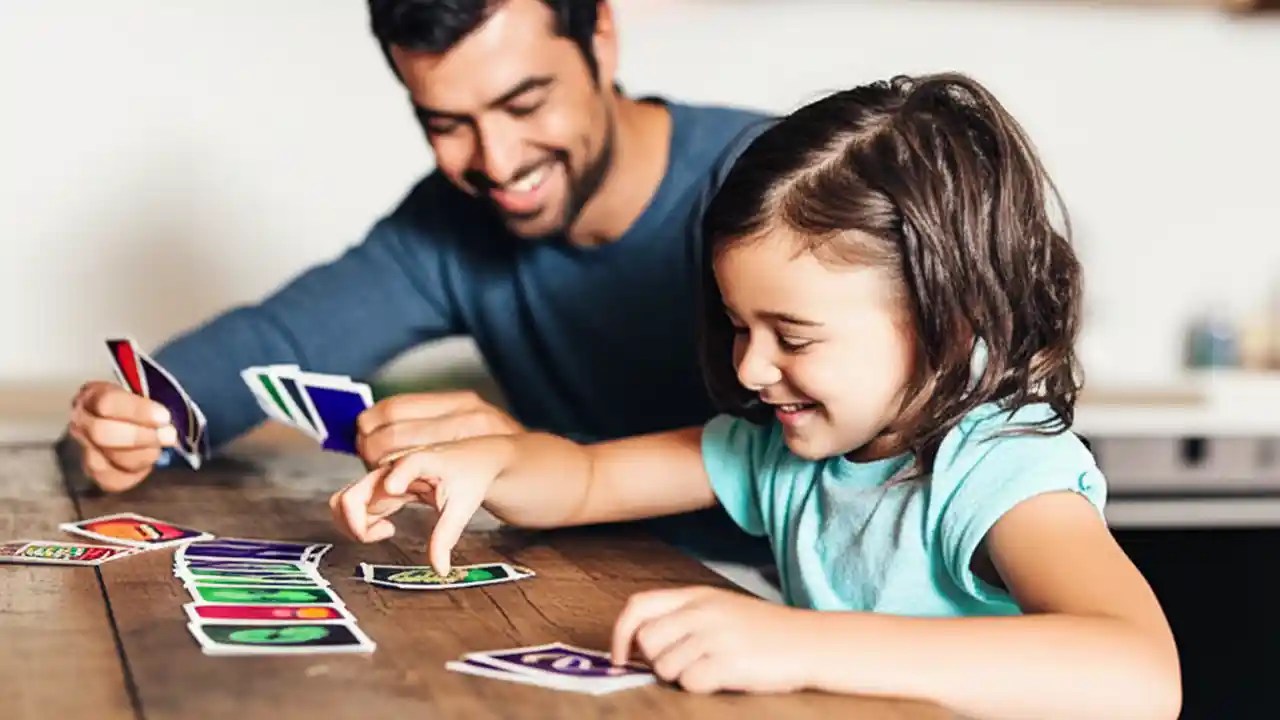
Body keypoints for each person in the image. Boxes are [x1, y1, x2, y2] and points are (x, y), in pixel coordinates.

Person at [330, 73, 1181, 717]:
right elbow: (587, 480)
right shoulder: (778, 450)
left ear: (948, 323)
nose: (748, 369)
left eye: (794, 336)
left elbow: (1141, 674)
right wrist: (484, 463)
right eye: (739, 326)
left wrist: (800, 641)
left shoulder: (997, 471)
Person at [64, 0, 770, 503]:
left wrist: (530, 460)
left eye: (525, 104)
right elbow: (272, 344)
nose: (496, 162)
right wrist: (127, 424)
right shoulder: (451, 219)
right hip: (612, 588)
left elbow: (840, 444)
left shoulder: (781, 187)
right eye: (446, 123)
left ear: (603, 34)